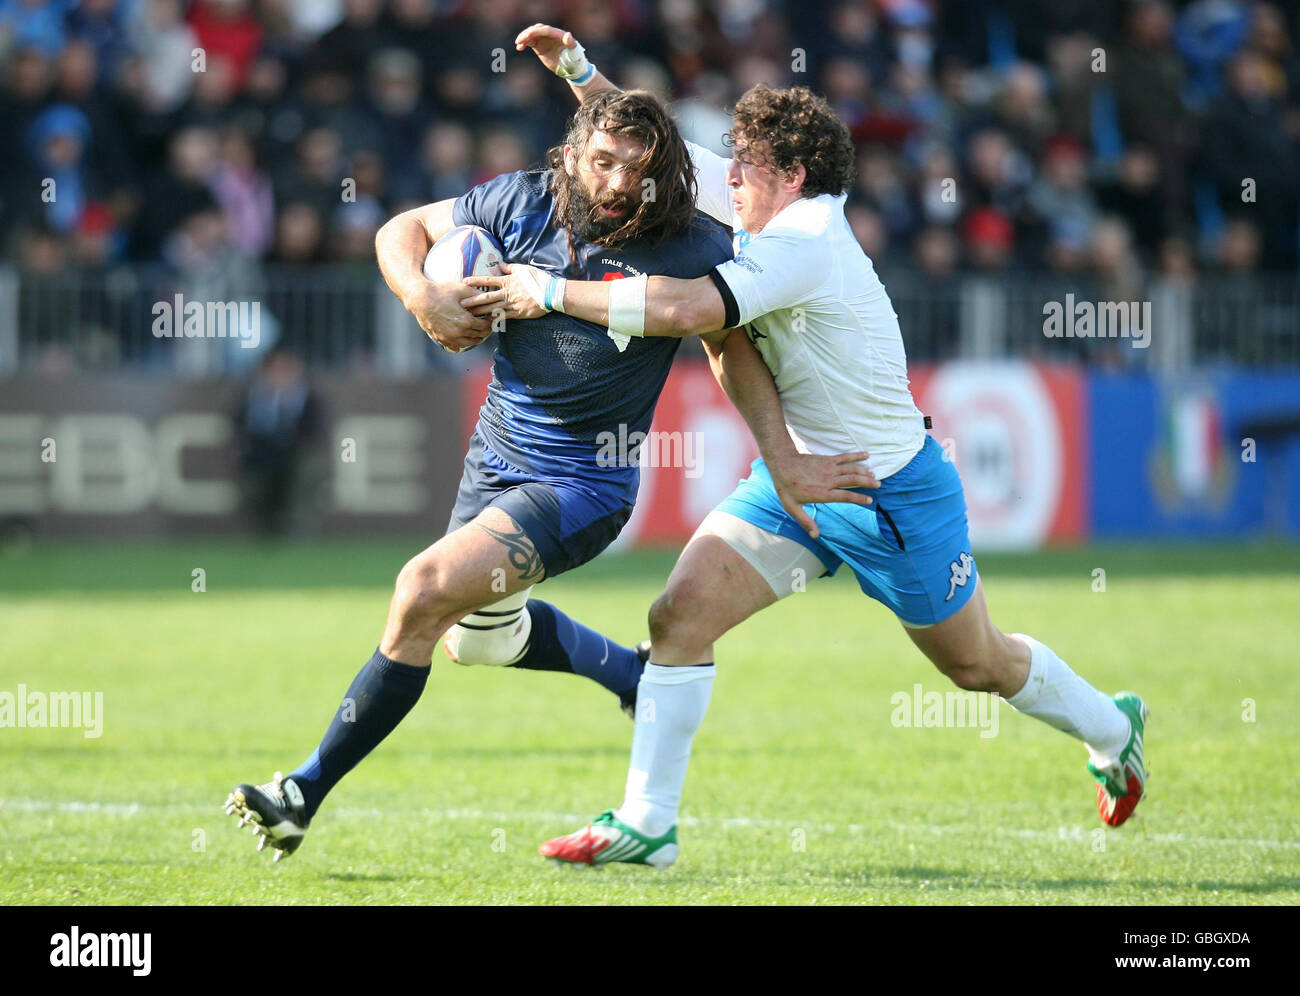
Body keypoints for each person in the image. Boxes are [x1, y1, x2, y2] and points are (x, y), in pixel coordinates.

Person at [467, 25, 1150, 868]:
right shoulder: (766, 203)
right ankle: (649, 823)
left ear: (792, 177)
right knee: (678, 615)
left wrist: (547, 291)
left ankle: (1114, 727)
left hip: (884, 492)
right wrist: (576, 70)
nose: (728, 175)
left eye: (744, 165)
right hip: (796, 479)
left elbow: (686, 311)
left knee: (978, 666)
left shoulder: (805, 242)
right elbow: (658, 153)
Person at [222, 85, 872, 860]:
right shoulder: (517, 202)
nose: (620, 182)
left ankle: (302, 791)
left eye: (639, 167)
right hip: (492, 460)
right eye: (603, 162)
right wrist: (423, 294)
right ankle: (628, 677)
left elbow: (732, 352)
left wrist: (785, 456)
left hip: (583, 486)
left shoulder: (691, 244)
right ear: (571, 158)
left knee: (421, 592)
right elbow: (404, 228)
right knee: (479, 642)